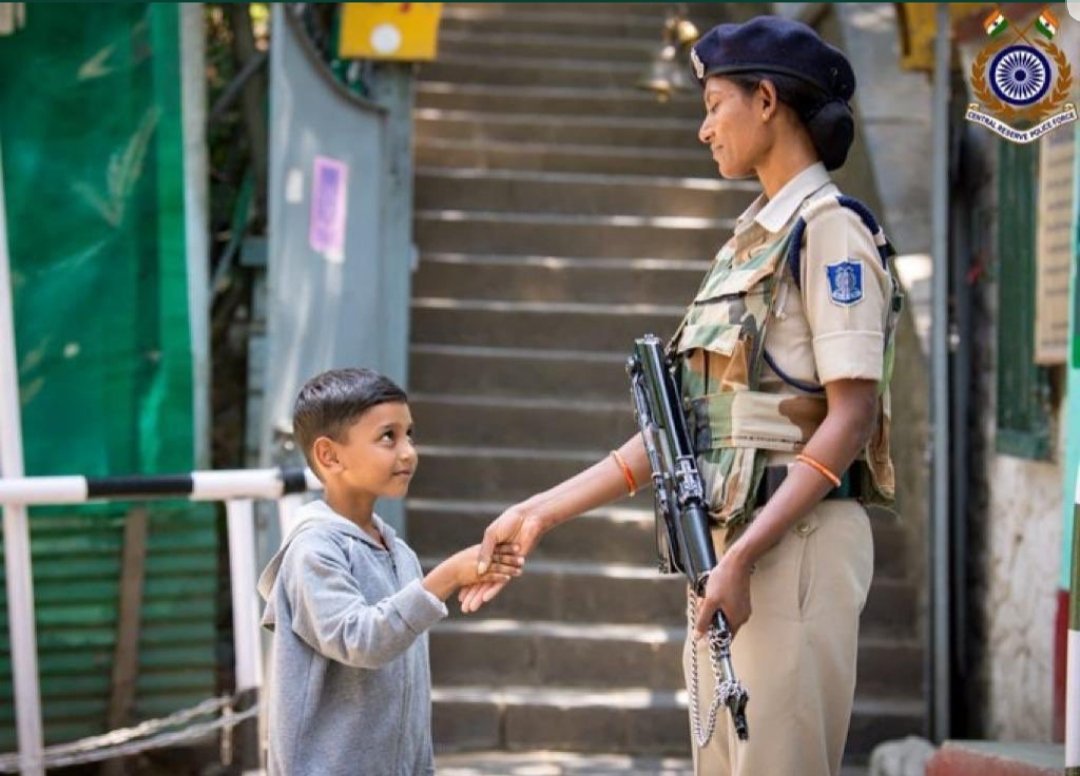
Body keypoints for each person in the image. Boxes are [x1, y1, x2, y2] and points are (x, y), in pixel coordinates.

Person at [460, 15, 902, 776]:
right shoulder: (748, 240)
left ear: (766, 100)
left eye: (713, 105)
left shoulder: (829, 233)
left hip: (790, 546)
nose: (703, 130)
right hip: (727, 548)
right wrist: (540, 512)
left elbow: (851, 414)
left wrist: (746, 556)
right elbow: (682, 427)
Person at [257, 367, 524, 776]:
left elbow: (410, 694)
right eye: (388, 437)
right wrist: (448, 576)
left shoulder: (399, 553)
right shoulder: (313, 551)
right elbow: (361, 640)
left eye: (409, 434)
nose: (408, 452)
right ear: (330, 455)